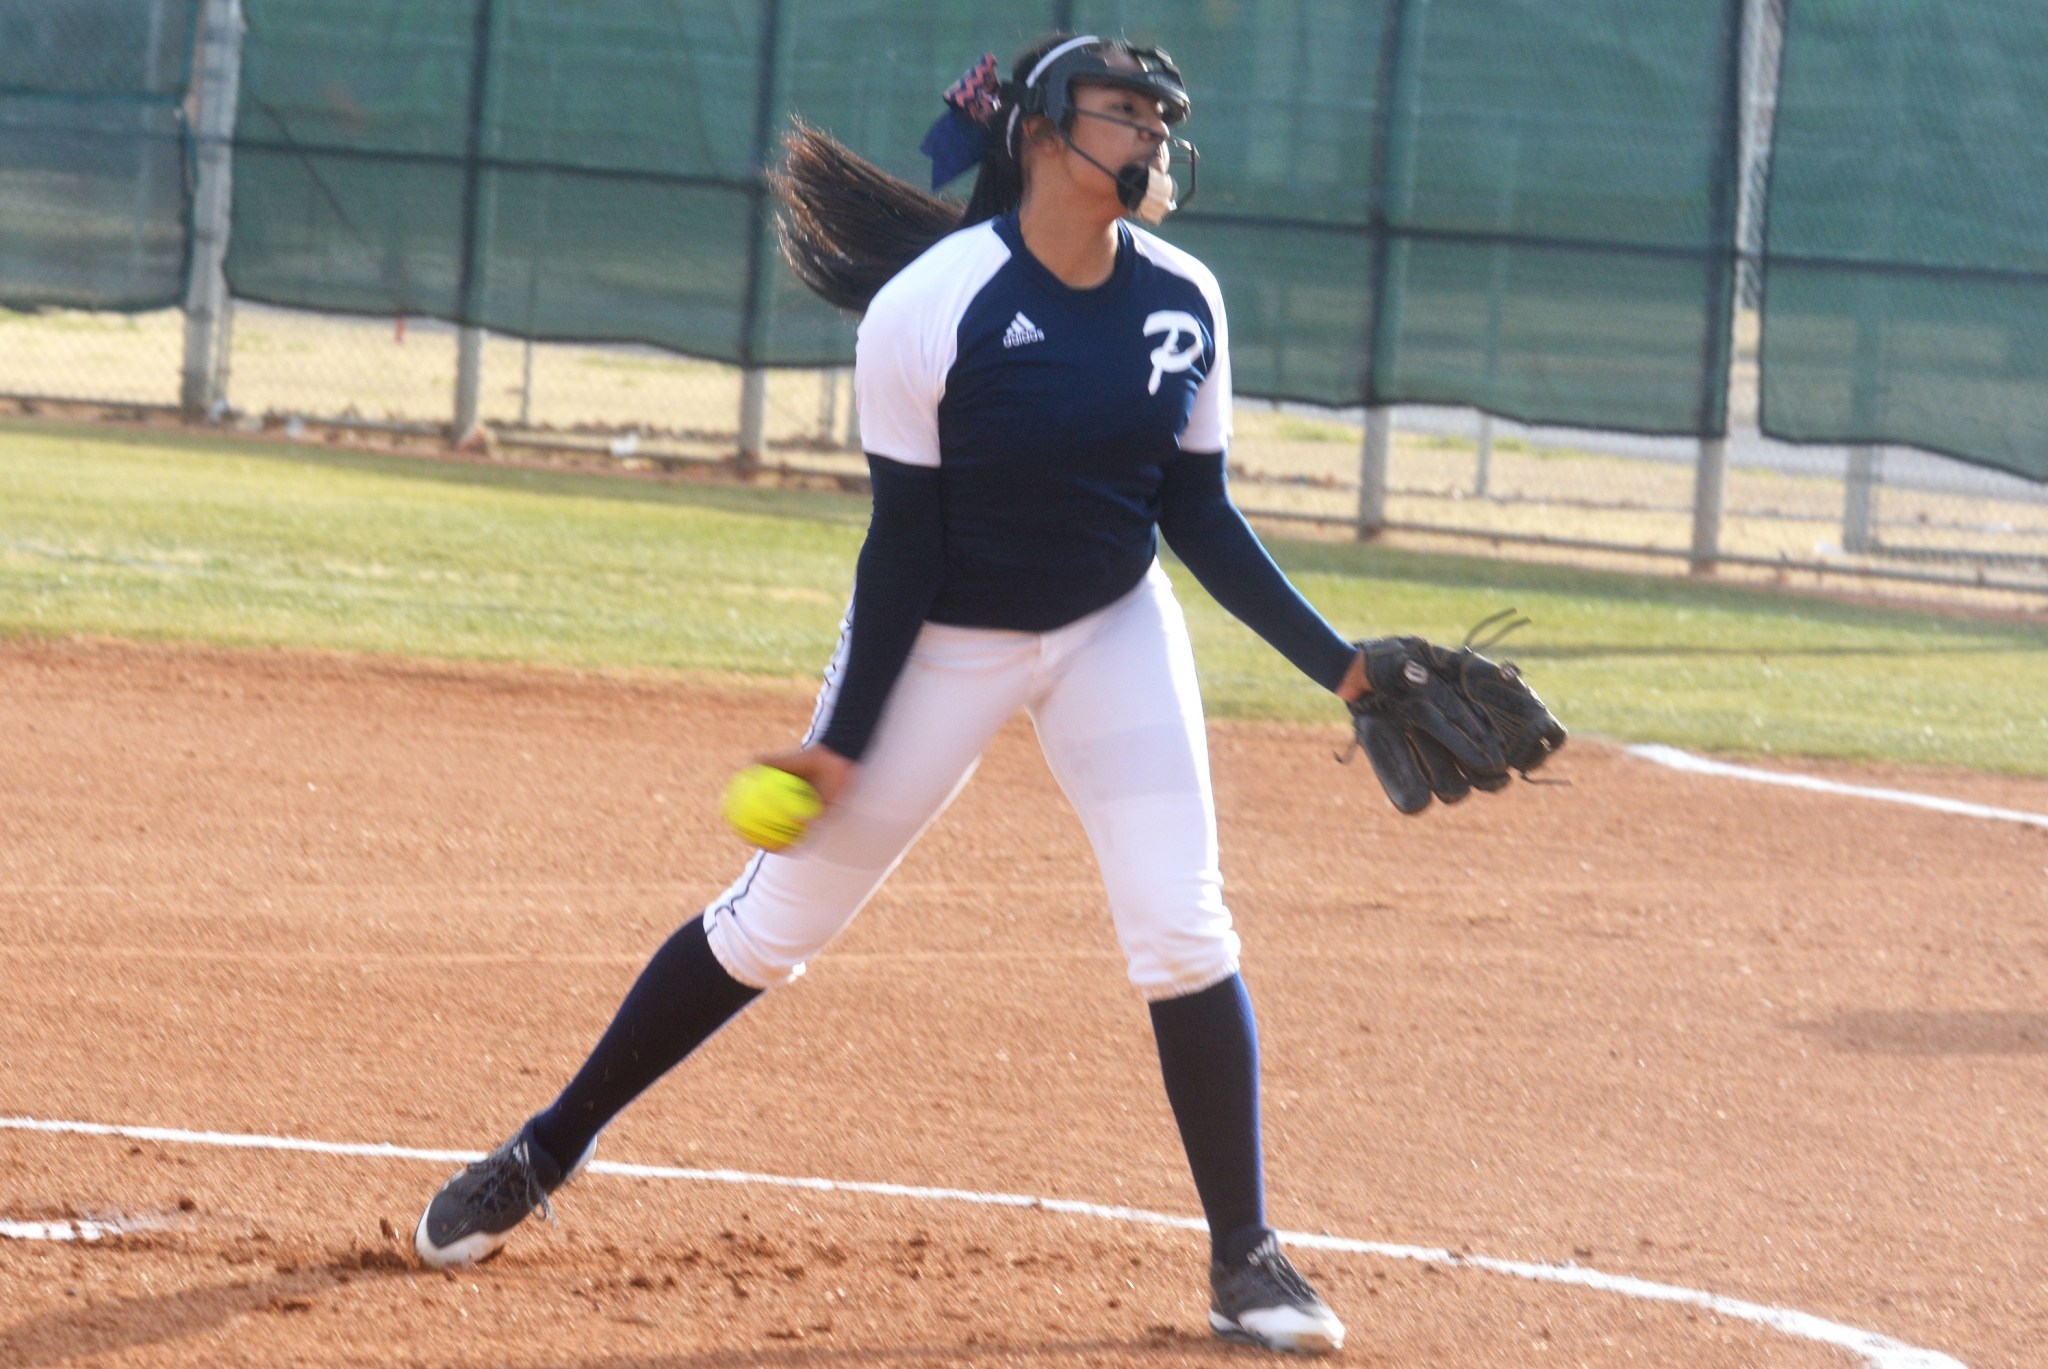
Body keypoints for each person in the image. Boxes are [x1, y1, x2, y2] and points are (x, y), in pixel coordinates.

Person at [414, 32, 1372, 1356]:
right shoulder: (933, 307)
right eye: (1124, 112)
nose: (1152, 137)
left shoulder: (1185, 297)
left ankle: (1245, 1258)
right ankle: (545, 1146)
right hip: (942, 640)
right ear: (1041, 131)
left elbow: (1197, 512)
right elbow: (904, 550)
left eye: (1160, 118)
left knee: (1184, 927)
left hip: (1109, 625)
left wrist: (1347, 664)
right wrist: (841, 746)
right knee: (773, 925)